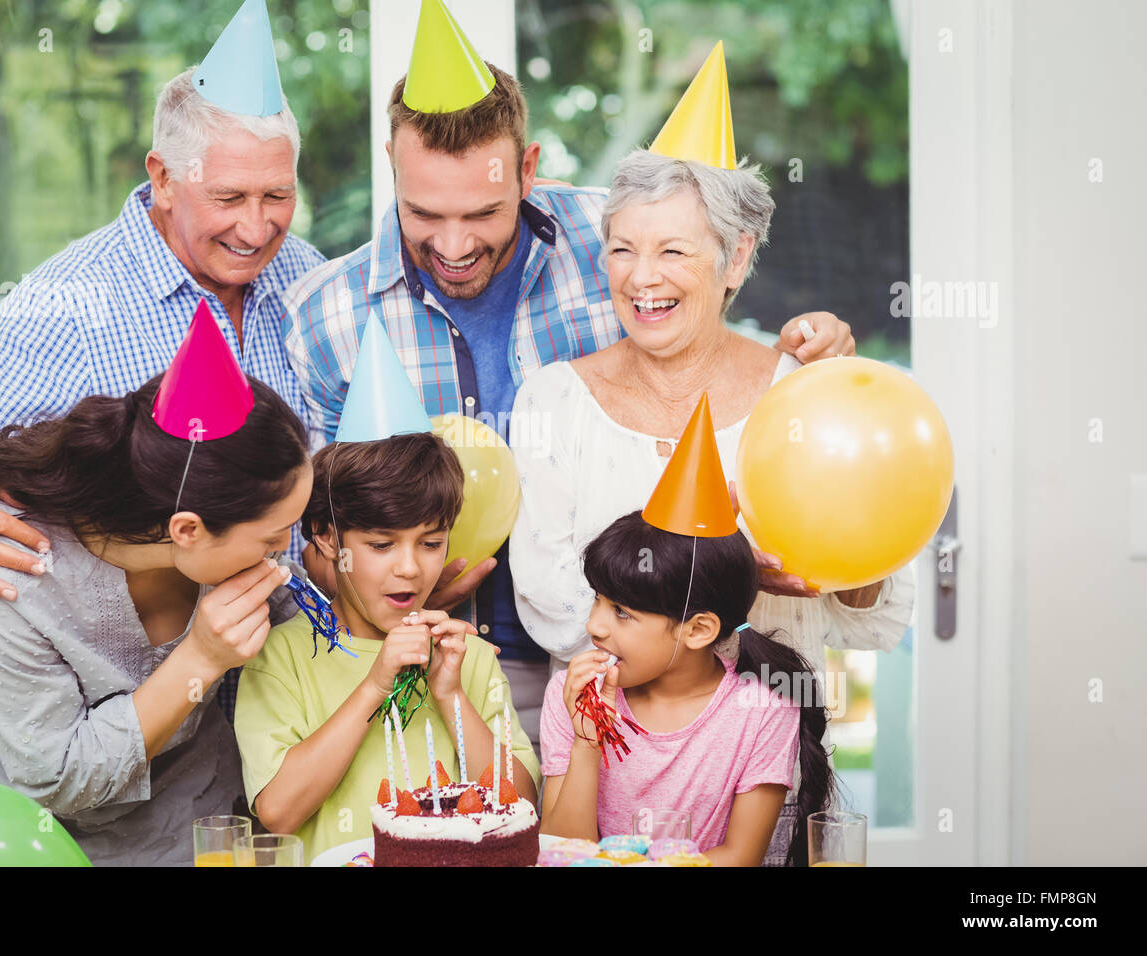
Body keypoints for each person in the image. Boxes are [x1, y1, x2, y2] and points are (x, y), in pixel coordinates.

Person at [282, 14, 854, 754]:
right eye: (423, 212)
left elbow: (705, 281)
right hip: (414, 670)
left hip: (578, 673)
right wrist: (385, 588)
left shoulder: (610, 239)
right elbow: (306, 537)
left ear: (528, 171)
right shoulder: (325, 316)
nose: (453, 246)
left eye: (483, 212)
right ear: (390, 160)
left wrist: (818, 348)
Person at [508, 149, 915, 864]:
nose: (642, 277)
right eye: (622, 250)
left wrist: (830, 566)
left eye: (672, 250)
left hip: (760, 785)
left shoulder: (802, 392)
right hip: (606, 781)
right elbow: (552, 607)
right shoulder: (553, 401)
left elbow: (877, 610)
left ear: (736, 258)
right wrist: (735, 577)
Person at [0, 39, 321, 617]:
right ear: (164, 179)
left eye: (277, 195)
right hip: (143, 682)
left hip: (297, 661)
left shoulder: (307, 275)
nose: (256, 227)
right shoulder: (66, 302)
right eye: (229, 197)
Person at [0, 369, 314, 866]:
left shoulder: (210, 544)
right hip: (1, 822)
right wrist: (201, 658)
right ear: (187, 529)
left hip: (172, 813)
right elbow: (56, 775)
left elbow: (317, 621)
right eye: (273, 538)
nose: (285, 554)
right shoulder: (16, 569)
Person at [233, 433, 539, 862]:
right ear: (326, 538)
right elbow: (279, 813)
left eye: (431, 543)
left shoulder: (465, 655)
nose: (411, 568)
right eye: (381, 545)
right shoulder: (280, 657)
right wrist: (374, 687)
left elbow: (520, 806)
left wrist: (450, 696)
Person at [540, 511, 834, 866]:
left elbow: (740, 858)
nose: (593, 625)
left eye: (620, 611)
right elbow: (562, 853)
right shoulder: (570, 695)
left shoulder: (762, 712)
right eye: (597, 599)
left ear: (697, 630)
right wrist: (587, 741)